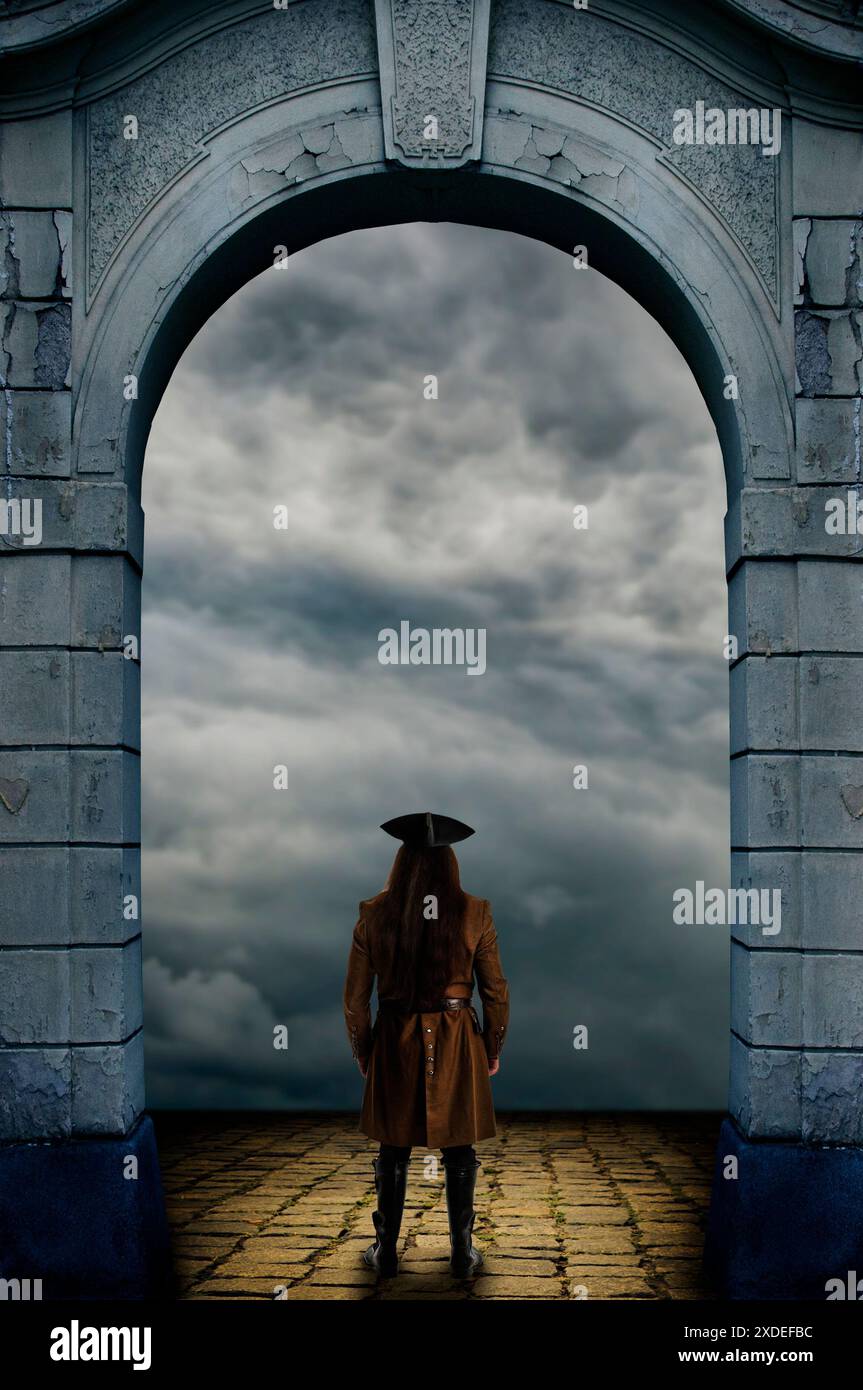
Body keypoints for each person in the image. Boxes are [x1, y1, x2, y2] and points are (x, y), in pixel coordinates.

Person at [343, 811, 510, 1278]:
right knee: (459, 1149)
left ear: (400, 865)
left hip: (396, 1040)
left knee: (393, 1149)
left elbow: (355, 1000)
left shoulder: (374, 915)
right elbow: (495, 989)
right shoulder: (476, 913)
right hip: (458, 1039)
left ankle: (386, 1251)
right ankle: (462, 1253)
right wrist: (491, 1046)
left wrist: (364, 1050)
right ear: (450, 867)